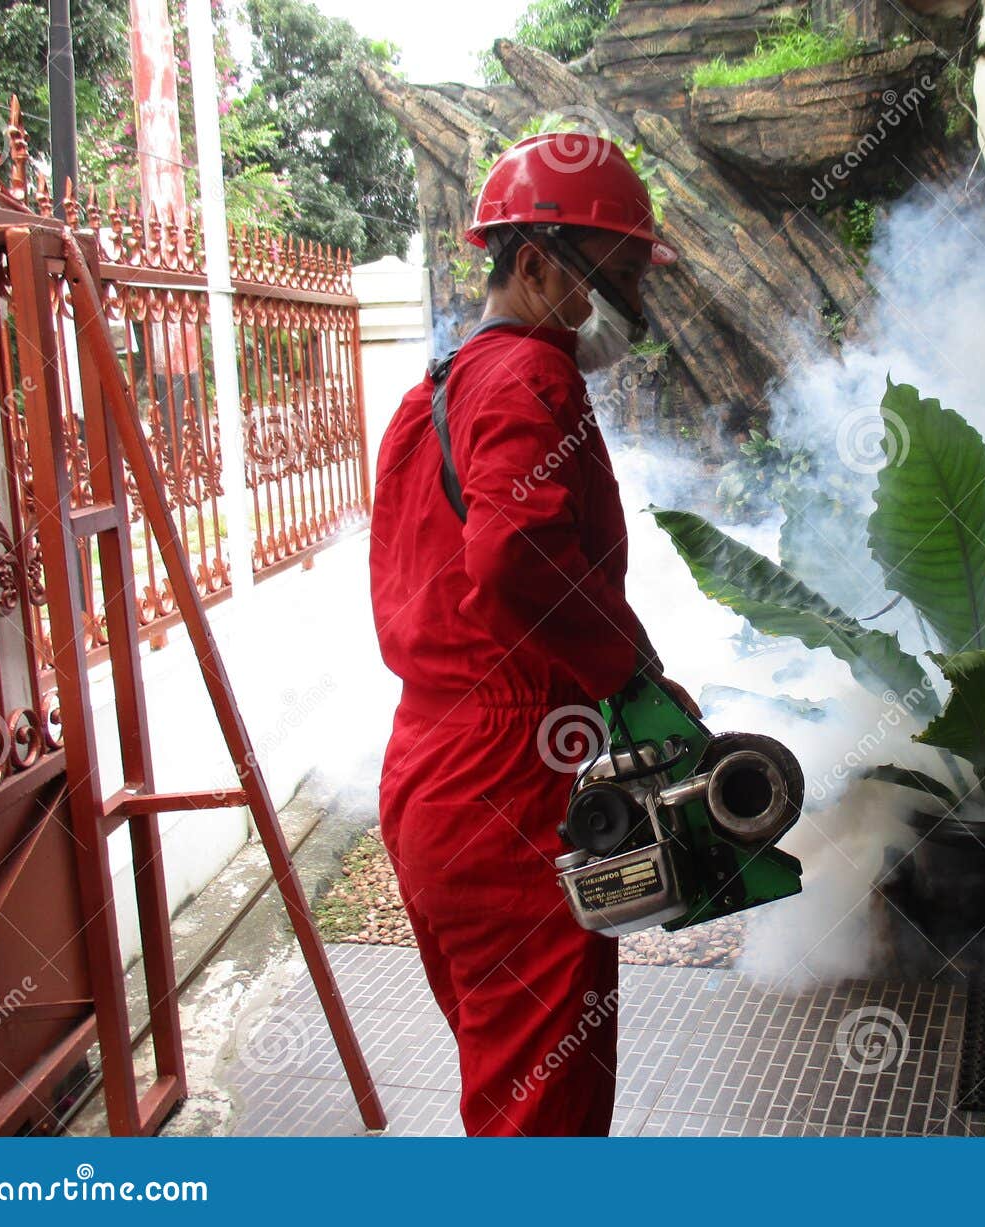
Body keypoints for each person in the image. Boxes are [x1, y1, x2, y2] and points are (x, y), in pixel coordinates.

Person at [369, 132, 694, 1136]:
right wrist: (629, 676)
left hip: (432, 772)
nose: (634, 308)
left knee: (508, 1087)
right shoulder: (527, 377)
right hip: (509, 786)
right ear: (539, 265)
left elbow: (450, 589)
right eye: (620, 278)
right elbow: (514, 556)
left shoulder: (432, 394)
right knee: (543, 1120)